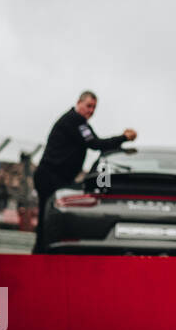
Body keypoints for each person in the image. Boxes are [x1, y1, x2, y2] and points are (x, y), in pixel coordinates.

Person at [32, 91, 136, 253]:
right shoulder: (75, 121)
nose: (91, 111)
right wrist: (123, 138)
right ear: (79, 103)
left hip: (58, 177)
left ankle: (41, 252)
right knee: (49, 219)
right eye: (88, 106)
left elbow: (97, 143)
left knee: (49, 219)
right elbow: (95, 143)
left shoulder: (79, 122)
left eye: (94, 107)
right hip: (51, 176)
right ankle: (41, 253)